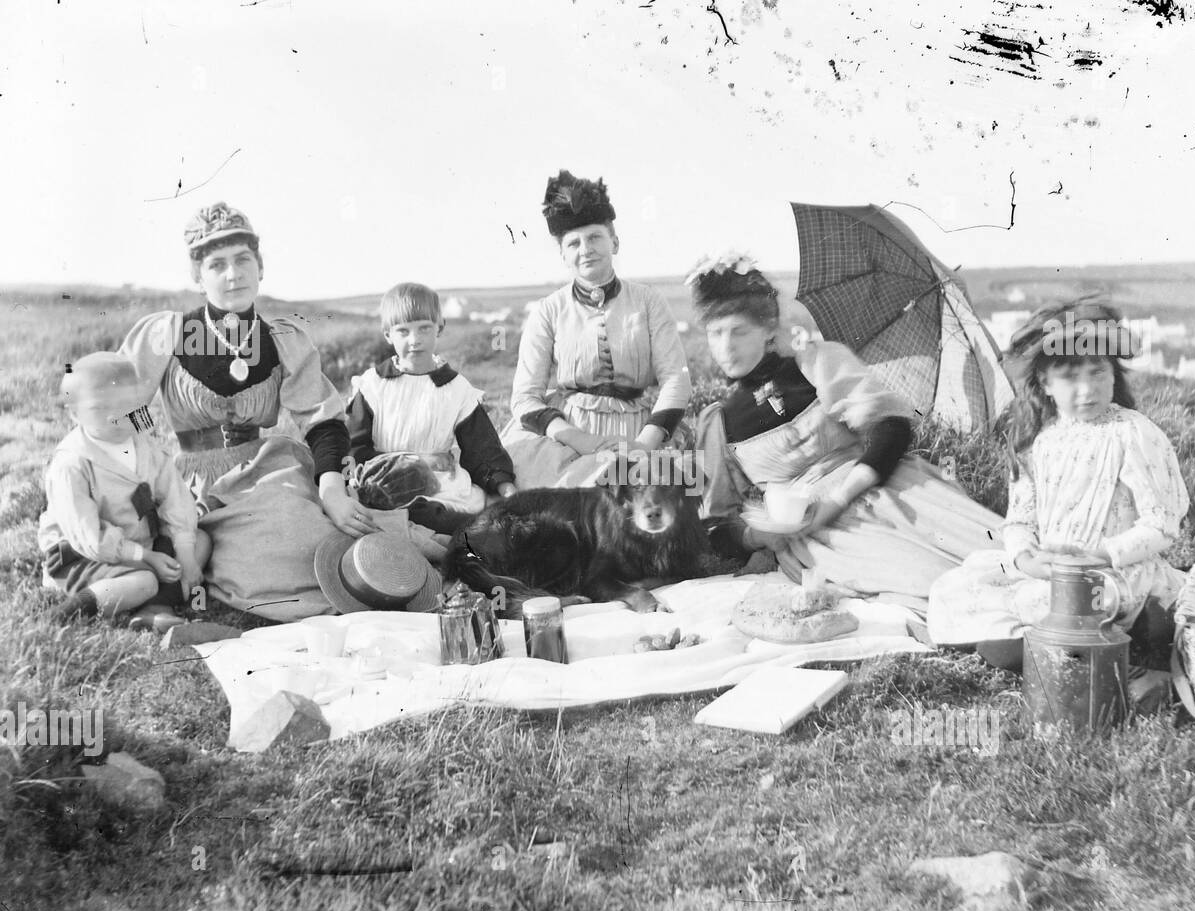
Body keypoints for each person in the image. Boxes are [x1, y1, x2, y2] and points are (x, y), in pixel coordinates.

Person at [690, 255, 1005, 617]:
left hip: (887, 489)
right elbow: (716, 525)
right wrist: (759, 537)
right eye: (716, 333)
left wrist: (837, 500)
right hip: (817, 536)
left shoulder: (816, 364)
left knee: (999, 554)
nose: (726, 346)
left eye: (739, 331)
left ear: (768, 328)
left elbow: (891, 429)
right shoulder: (720, 421)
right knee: (934, 583)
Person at [118, 202, 379, 621]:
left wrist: (331, 487)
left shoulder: (282, 340)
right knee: (182, 534)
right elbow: (123, 404)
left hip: (262, 469)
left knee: (301, 535)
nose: (233, 274)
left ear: (260, 266)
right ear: (198, 277)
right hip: (187, 474)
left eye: (243, 260)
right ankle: (167, 601)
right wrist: (150, 450)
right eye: (217, 265)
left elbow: (323, 421)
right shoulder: (169, 332)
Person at [926, 299, 1190, 667]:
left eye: (1097, 372)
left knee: (1075, 607)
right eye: (1069, 376)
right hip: (1053, 573)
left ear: (1114, 374)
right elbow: (1020, 520)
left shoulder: (1133, 434)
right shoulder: (1040, 442)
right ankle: (1046, 647)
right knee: (955, 588)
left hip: (1115, 573)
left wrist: (1102, 554)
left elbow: (1161, 523)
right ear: (1046, 384)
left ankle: (1075, 646)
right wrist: (1028, 559)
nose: (1086, 389)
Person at [501, 169, 692, 489]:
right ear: (563, 255)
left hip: (640, 431)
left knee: (670, 494)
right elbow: (525, 398)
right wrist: (578, 439)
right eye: (573, 243)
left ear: (614, 242)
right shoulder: (548, 311)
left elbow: (676, 379)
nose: (585, 248)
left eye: (594, 237)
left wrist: (645, 444)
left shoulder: (648, 301)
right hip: (566, 438)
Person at [39, 353, 209, 630]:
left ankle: (154, 608)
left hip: (140, 542)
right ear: (74, 412)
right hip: (83, 555)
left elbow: (175, 500)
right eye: (100, 407)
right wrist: (145, 557)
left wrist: (186, 555)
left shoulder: (145, 447)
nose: (115, 416)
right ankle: (68, 613)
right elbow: (89, 538)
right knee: (144, 581)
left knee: (199, 541)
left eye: (126, 406)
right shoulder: (72, 464)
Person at [346, 282, 517, 533]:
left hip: (439, 484)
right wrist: (416, 462)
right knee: (384, 510)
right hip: (382, 479)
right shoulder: (374, 384)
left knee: (446, 515)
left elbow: (482, 448)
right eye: (403, 331)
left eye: (424, 328)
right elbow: (354, 445)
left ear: (440, 328)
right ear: (387, 335)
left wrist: (505, 487)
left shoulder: (455, 388)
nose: (415, 340)